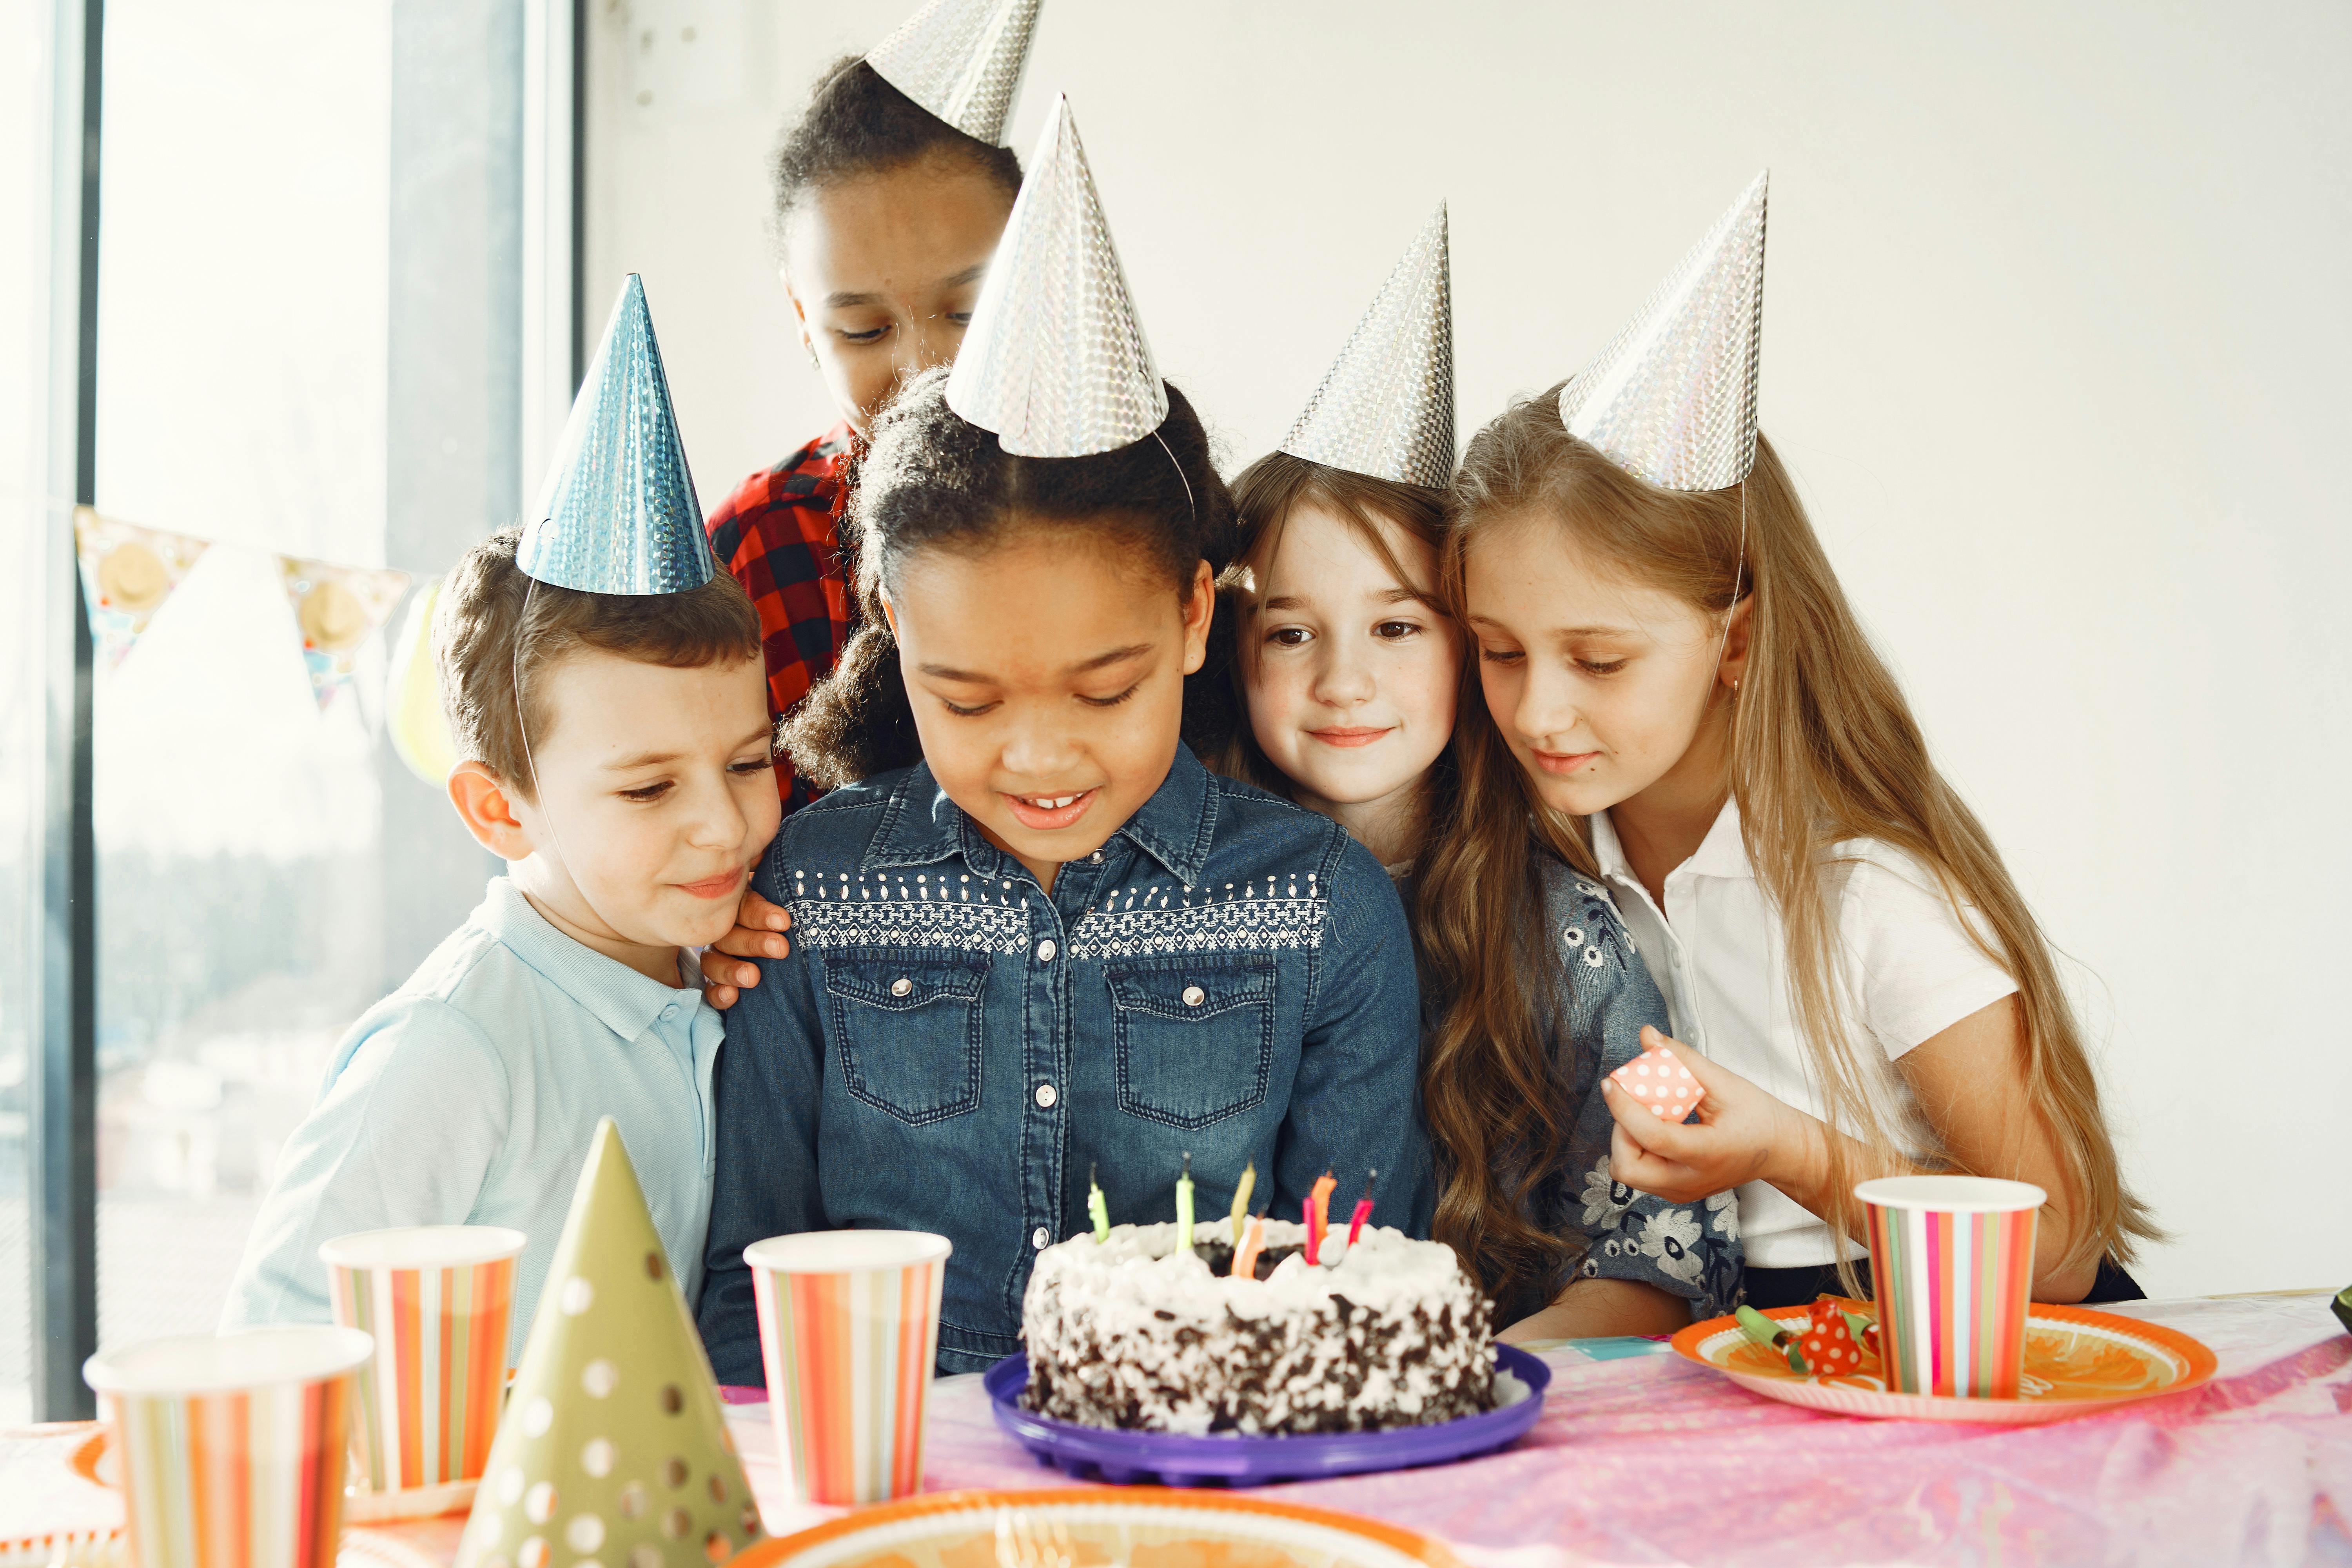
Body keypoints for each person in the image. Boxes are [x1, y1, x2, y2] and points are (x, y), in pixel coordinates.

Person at [695, 103, 1430, 1380]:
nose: (1037, 759)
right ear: (892, 630)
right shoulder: (806, 897)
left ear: (1195, 616)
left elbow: (1352, 1311)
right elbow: (744, 1302)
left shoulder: (1325, 914)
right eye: (970, 700)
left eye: (1103, 694)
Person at [1440, 173, 2154, 1316]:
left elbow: (2062, 1251)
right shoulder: (1556, 873)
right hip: (1719, 1346)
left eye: (1601, 660)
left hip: (1949, 1339)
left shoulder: (1868, 893)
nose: (1536, 713)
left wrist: (1793, 1148)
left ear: (1737, 639)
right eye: (1500, 651)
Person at [224, 282, 780, 1351]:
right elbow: (273, 1343)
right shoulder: (454, 1048)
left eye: (749, 761)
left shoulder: (713, 973)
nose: (723, 824)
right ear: (499, 810)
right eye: (649, 788)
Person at [1218, 209, 1740, 1334]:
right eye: (1292, 634)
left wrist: (1474, 1381)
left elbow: (1669, 1251)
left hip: (1513, 1397)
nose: (1344, 682)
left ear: (1472, 643)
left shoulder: (1571, 939)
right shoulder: (1186, 910)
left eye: (1397, 628)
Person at [698, 0, 1042, 1002]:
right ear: (801, 317)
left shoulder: (1136, 508)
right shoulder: (756, 546)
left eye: (967, 311)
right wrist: (709, 921)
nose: (926, 364)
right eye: (862, 330)